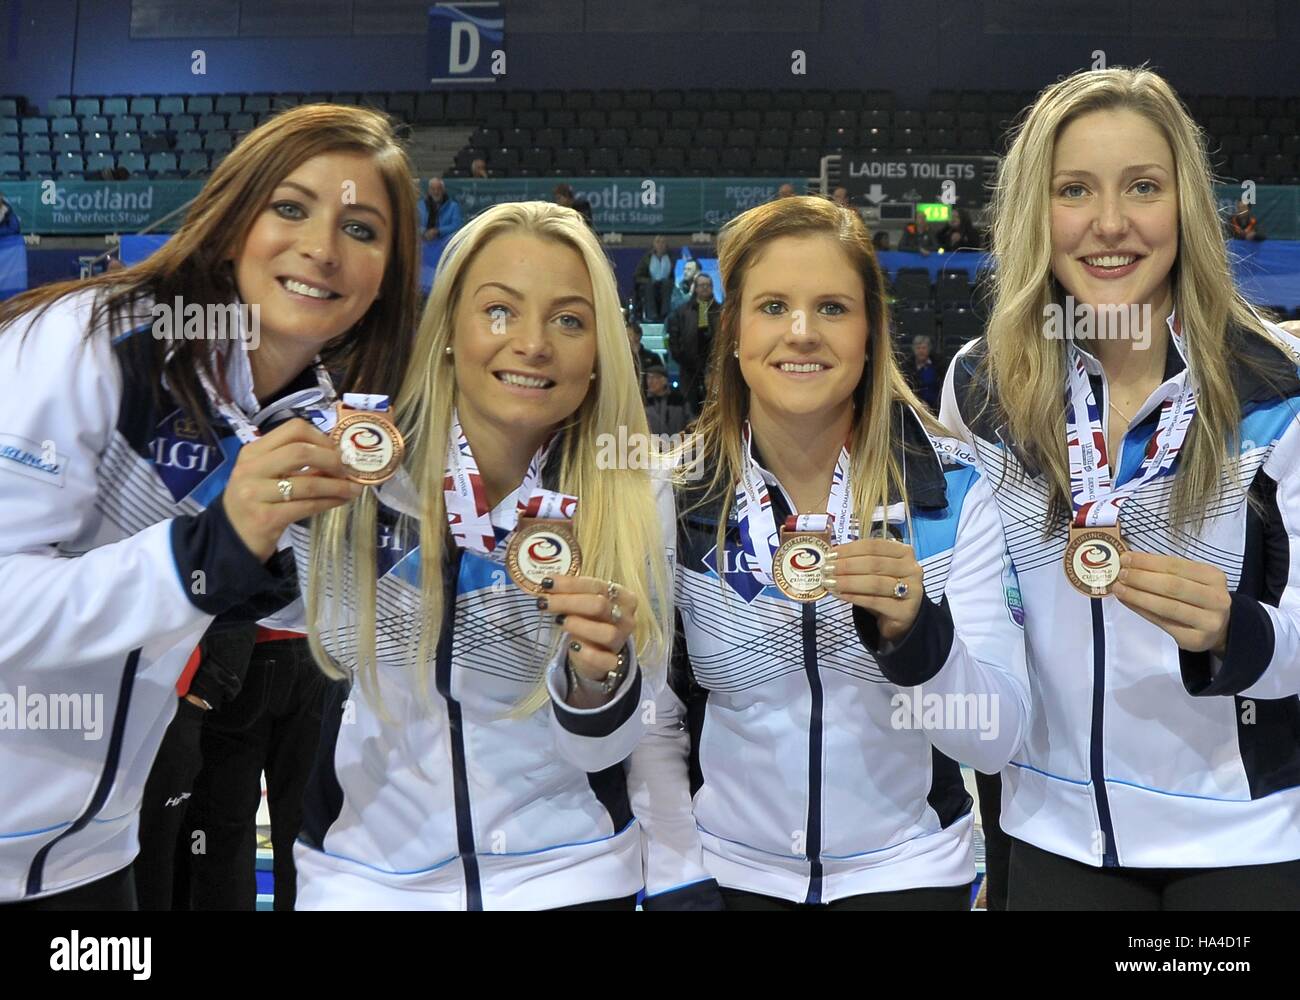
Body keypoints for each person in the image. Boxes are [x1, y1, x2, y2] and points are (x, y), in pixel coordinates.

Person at [0, 103, 420, 909]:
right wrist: (209, 551)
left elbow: (302, 617)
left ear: (385, 278)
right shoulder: (85, 341)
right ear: (232, 221)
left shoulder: (312, 417)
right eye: (290, 208)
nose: (322, 249)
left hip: (91, 859)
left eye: (362, 230)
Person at [290, 201, 718, 910]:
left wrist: (597, 683)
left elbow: (632, 732)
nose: (533, 344)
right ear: (451, 329)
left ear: (598, 352)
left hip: (572, 881)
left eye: (569, 319)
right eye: (500, 311)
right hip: (364, 882)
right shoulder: (362, 471)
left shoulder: (635, 488)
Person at [943, 66, 1300, 910]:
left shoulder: (1278, 391)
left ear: (1187, 207)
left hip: (1244, 838)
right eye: (1075, 191)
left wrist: (1236, 632)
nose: (1110, 224)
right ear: (1039, 211)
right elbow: (982, 613)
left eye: (1143, 186)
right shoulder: (982, 387)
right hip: (1049, 830)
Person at [663, 194, 1029, 909]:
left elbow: (995, 740)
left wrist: (918, 637)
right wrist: (676, 868)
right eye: (773, 307)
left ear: (870, 333)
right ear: (733, 333)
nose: (801, 334)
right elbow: (659, 721)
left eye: (832, 308)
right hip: (727, 876)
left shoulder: (954, 495)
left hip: (910, 877)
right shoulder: (674, 498)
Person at [665, 271, 721, 412]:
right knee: (690, 409)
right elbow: (674, 337)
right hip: (688, 368)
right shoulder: (682, 312)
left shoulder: (721, 311)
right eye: (701, 285)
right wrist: (681, 357)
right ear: (695, 288)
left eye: (708, 285)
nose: (704, 288)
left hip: (714, 369)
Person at [634, 235, 675, 322]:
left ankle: (665, 314)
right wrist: (649, 281)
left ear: (666, 245)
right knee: (649, 286)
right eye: (658, 242)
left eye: (663, 242)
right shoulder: (647, 259)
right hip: (650, 285)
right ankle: (651, 315)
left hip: (666, 285)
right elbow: (637, 276)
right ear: (654, 244)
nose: (660, 244)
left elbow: (675, 276)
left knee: (667, 284)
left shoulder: (671, 258)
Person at [643, 363, 689, 436]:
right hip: (652, 445)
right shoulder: (644, 402)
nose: (650, 381)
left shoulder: (678, 400)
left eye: (654, 377)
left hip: (676, 444)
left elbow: (689, 421)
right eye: (648, 377)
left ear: (664, 380)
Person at [904, 334, 946, 414]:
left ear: (929, 349)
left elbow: (942, 387)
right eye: (918, 348)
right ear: (914, 350)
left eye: (924, 348)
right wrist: (918, 402)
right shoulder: (907, 366)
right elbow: (907, 389)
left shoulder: (938, 365)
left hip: (936, 407)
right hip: (914, 407)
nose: (921, 351)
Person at [421, 177, 463, 245]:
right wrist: (424, 232)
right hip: (424, 245)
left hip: (445, 244)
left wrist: (438, 231)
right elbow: (415, 225)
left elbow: (456, 225)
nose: (436, 192)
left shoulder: (453, 206)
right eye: (433, 189)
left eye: (439, 189)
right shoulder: (420, 206)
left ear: (443, 190)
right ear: (429, 191)